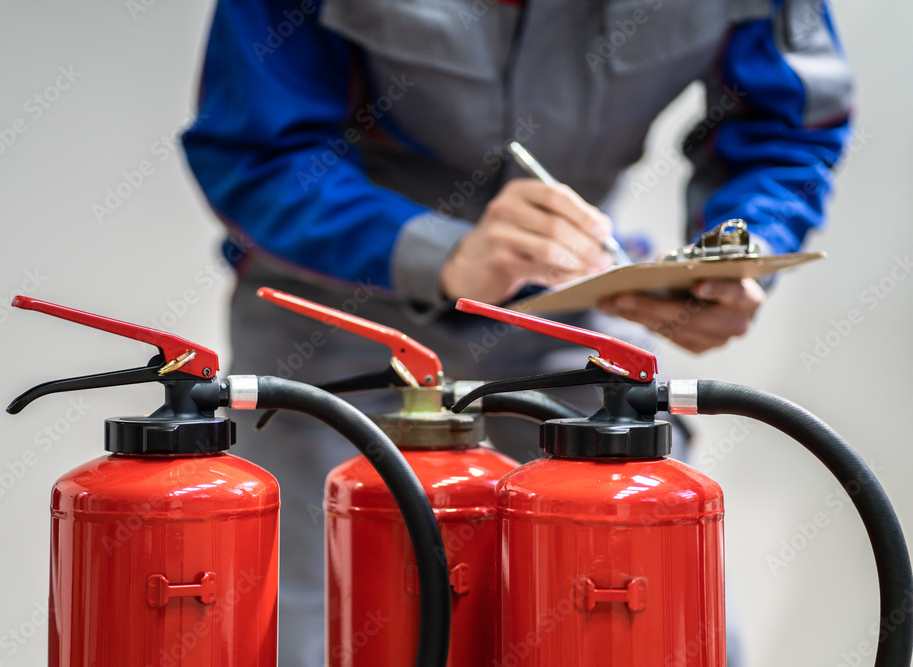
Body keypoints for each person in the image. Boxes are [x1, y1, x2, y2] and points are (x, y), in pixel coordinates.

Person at [183, 0, 852, 664]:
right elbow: (256, 150)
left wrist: (736, 254)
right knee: (321, 636)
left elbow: (787, 122)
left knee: (659, 620)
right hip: (337, 335)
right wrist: (436, 250)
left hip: (566, 324)